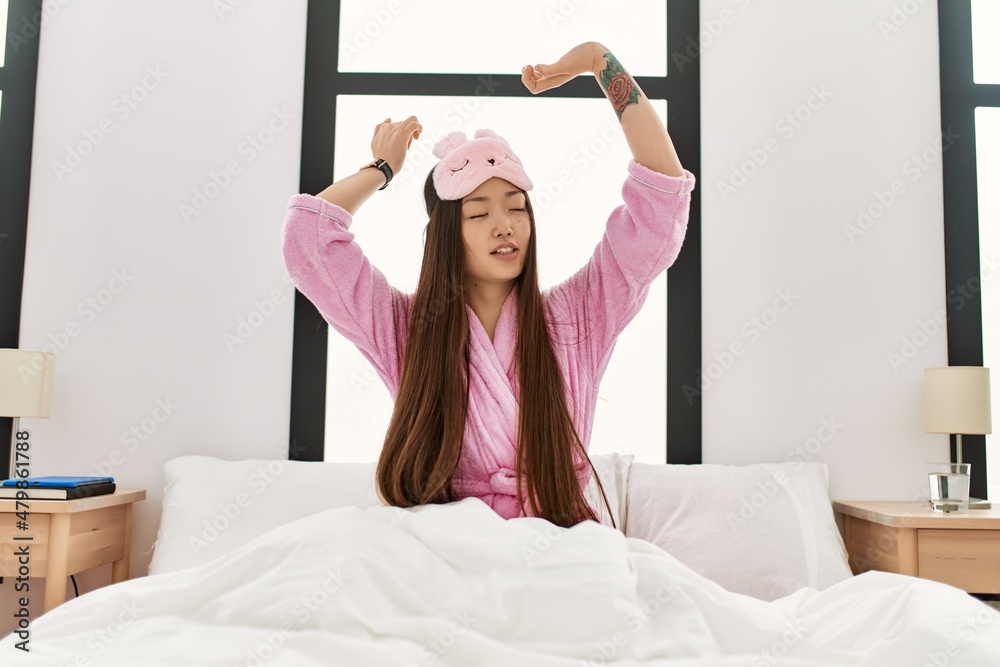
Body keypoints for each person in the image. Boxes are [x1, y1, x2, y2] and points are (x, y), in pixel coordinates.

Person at [282, 41, 695, 528]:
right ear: (445, 236)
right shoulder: (407, 329)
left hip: (557, 545)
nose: (505, 226)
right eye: (479, 213)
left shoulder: (578, 315)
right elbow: (308, 239)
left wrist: (597, 61)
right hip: (446, 546)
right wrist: (382, 169)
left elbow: (660, 204)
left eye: (517, 208)